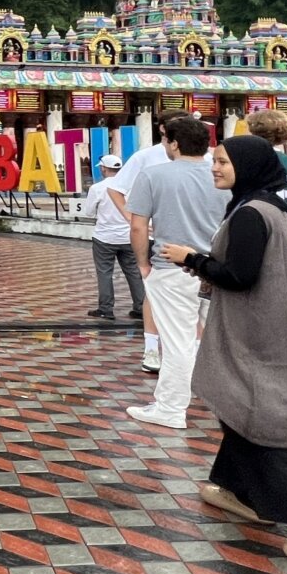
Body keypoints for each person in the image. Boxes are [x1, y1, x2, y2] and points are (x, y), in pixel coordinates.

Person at [159, 135, 287, 560]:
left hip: (265, 334)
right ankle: (238, 491)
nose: (214, 168)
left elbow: (240, 275)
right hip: (274, 326)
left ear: (247, 165)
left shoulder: (252, 213)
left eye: (222, 162)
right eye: (215, 161)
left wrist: (191, 259)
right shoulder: (268, 204)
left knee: (273, 418)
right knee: (245, 406)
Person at [126, 115, 225, 430]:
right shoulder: (221, 178)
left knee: (178, 340)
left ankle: (170, 408)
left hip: (172, 267)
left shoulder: (154, 176)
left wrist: (143, 263)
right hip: (216, 267)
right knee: (214, 338)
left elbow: (139, 225)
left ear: (174, 142)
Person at [109, 110, 187, 371]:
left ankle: (195, 353)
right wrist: (133, 219)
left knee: (199, 297)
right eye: (167, 133)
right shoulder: (147, 157)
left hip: (196, 238)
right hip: (160, 237)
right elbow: (115, 188)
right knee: (154, 293)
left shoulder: (206, 157)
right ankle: (152, 350)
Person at [82, 154, 142, 322]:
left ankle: (106, 309)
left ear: (103, 168)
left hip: (104, 237)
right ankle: (140, 307)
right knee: (134, 272)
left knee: (104, 273)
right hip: (128, 236)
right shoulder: (131, 187)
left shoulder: (97, 188)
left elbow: (89, 212)